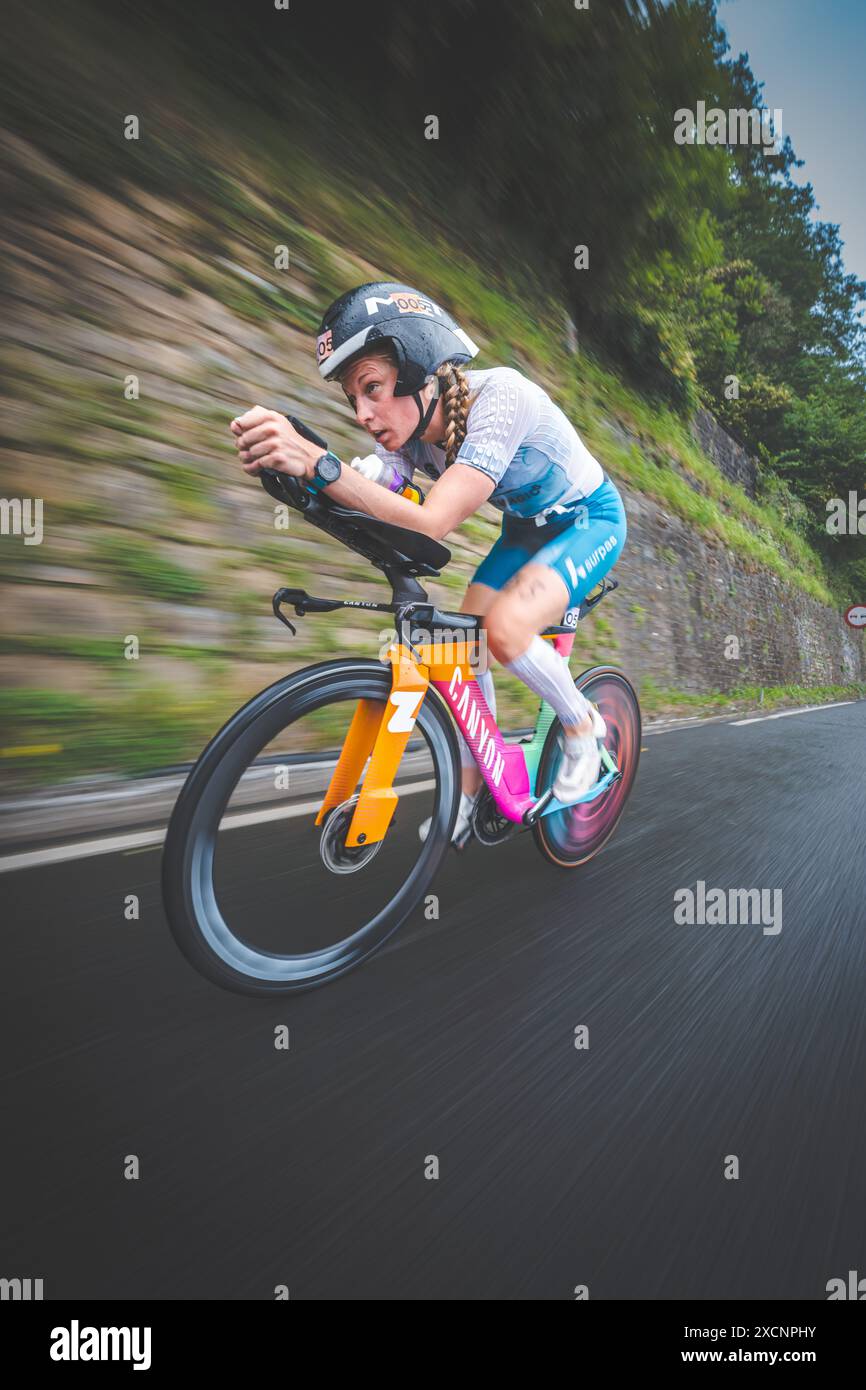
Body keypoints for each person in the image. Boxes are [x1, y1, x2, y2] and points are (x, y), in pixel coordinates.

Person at [232, 281, 627, 845]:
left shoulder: (502, 399)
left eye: (372, 388)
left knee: (505, 631)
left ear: (417, 366)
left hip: (589, 520)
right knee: (466, 648)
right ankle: (476, 786)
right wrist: (308, 471)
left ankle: (583, 725)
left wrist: (320, 464)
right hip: (524, 529)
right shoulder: (409, 434)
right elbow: (385, 499)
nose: (364, 414)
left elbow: (432, 522)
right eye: (353, 401)